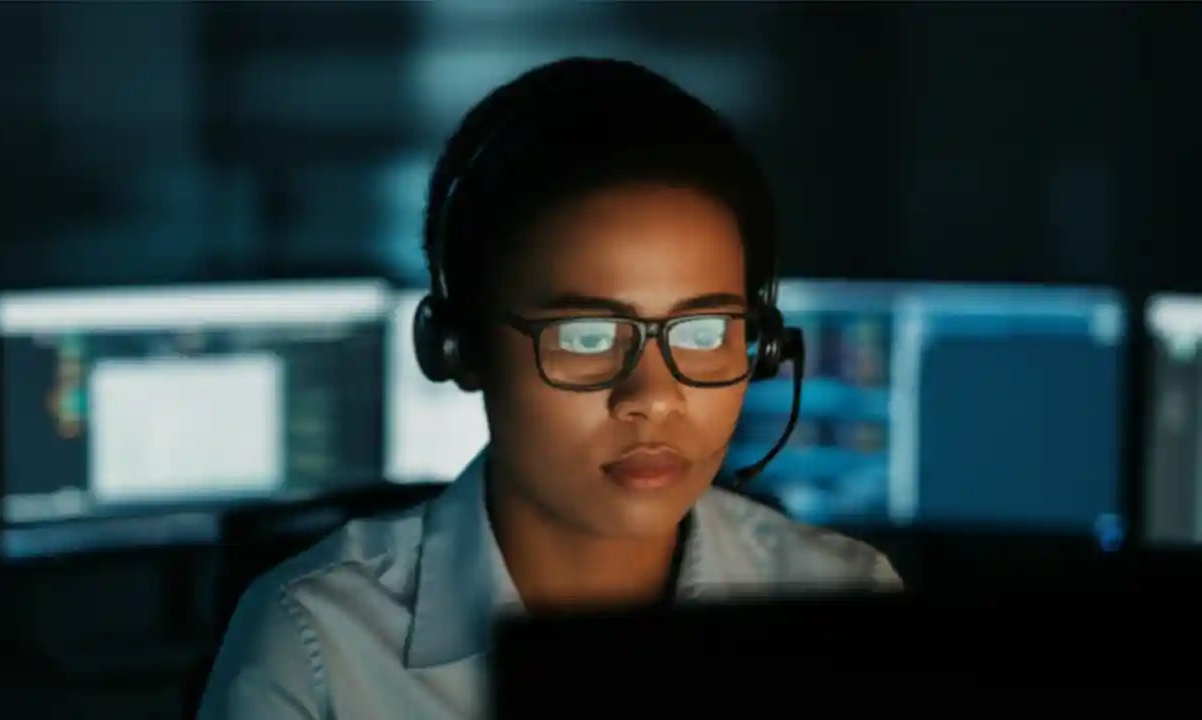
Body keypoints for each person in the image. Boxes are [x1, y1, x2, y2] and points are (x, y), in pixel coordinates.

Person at [198, 57, 901, 720]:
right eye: (588, 336)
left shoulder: (844, 600)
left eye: (702, 330)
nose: (653, 397)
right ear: (458, 346)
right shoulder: (319, 648)